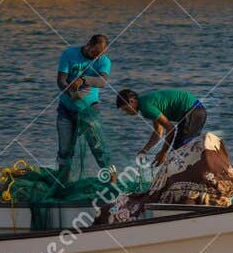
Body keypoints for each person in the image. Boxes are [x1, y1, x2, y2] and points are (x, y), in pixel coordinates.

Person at [55, 34, 113, 183]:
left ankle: (114, 183)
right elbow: (61, 80)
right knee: (65, 151)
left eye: (100, 54)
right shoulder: (69, 53)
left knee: (98, 149)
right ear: (88, 44)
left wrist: (83, 79)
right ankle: (63, 186)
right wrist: (71, 93)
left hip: (90, 110)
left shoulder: (104, 61)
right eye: (94, 53)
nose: (96, 57)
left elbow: (102, 82)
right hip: (66, 111)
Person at [116, 88, 206, 166]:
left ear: (132, 101)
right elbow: (158, 132)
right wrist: (144, 151)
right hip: (196, 111)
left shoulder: (146, 107)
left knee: (178, 154)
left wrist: (163, 152)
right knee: (182, 152)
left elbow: (171, 129)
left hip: (193, 111)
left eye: (126, 109)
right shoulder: (145, 102)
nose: (127, 113)